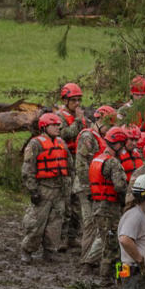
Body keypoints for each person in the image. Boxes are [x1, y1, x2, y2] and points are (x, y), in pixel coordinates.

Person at [20, 112, 71, 263]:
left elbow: (69, 165)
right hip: (43, 188)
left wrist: (69, 186)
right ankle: (27, 250)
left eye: (58, 125)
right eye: (53, 125)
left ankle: (50, 251)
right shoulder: (35, 144)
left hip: (59, 189)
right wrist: (33, 190)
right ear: (44, 127)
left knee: (55, 223)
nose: (57, 128)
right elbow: (28, 169)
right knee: (37, 223)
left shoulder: (61, 143)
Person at [74, 104, 118, 268]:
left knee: (97, 223)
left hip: (96, 187)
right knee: (90, 223)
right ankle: (86, 260)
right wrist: (88, 188)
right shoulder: (88, 137)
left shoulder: (101, 137)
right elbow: (81, 164)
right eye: (109, 126)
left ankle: (91, 258)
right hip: (86, 187)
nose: (110, 130)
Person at [88, 125, 130, 282]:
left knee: (109, 244)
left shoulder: (97, 159)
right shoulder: (113, 162)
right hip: (110, 209)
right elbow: (120, 186)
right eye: (123, 145)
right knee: (115, 247)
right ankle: (114, 278)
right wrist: (127, 200)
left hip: (98, 207)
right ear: (117, 144)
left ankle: (112, 277)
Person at [56, 83, 89, 246]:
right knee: (66, 201)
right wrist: (78, 120)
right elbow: (65, 134)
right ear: (65, 100)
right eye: (73, 100)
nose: (77, 103)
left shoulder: (81, 117)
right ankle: (61, 238)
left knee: (77, 201)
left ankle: (72, 236)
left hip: (80, 162)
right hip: (66, 163)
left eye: (78, 100)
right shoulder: (59, 117)